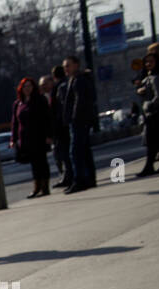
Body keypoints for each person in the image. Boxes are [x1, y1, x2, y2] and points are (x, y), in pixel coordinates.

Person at [59, 55, 98, 193]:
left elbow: (80, 101)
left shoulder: (79, 80)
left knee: (75, 152)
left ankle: (80, 180)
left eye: (68, 65)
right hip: (81, 120)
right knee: (84, 150)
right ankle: (89, 179)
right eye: (64, 66)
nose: (66, 69)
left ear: (76, 65)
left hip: (79, 121)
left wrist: (74, 117)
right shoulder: (76, 79)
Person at [11, 77, 53, 198]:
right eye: (25, 86)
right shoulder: (18, 104)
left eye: (30, 86)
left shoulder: (40, 100)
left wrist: (49, 135)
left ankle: (45, 187)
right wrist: (13, 139)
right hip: (26, 138)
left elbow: (47, 118)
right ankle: (37, 187)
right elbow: (15, 123)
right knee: (34, 164)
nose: (27, 89)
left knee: (42, 162)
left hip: (39, 136)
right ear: (21, 89)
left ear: (33, 87)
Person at [135, 45, 159, 176]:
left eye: (152, 58)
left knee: (154, 140)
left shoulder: (158, 75)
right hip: (155, 112)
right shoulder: (151, 74)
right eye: (146, 61)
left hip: (157, 111)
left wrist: (149, 104)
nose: (148, 64)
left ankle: (151, 165)